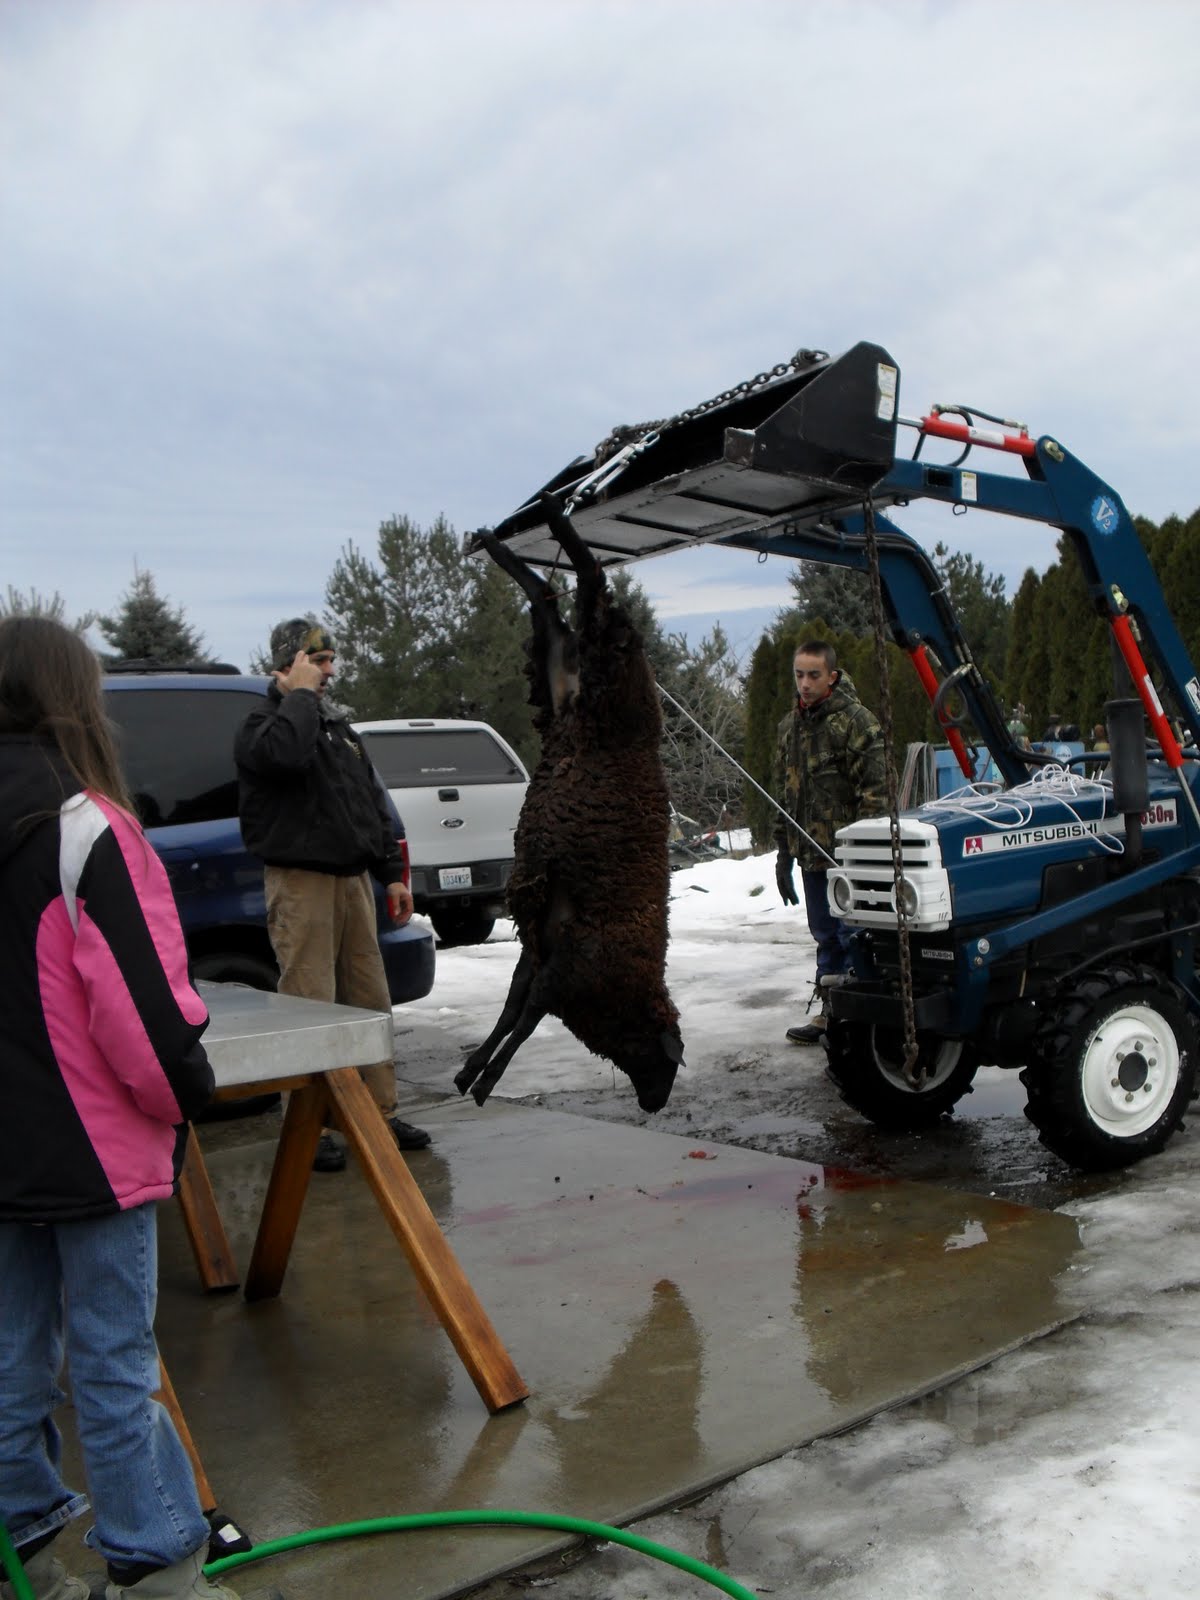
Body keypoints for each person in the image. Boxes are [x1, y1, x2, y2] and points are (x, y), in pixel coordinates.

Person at [0, 616, 243, 1600]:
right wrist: (188, 1093)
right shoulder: (88, 828)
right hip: (94, 1154)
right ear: (73, 699)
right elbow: (144, 1017)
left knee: (10, 1363)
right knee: (112, 1366)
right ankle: (157, 1568)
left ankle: (24, 1561)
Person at [234, 618, 430, 1172]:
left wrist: (391, 871)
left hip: (353, 884)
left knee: (369, 1003)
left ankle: (379, 1116)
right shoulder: (262, 726)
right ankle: (309, 1127)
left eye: (330, 661)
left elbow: (368, 802)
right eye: (319, 661)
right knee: (308, 1006)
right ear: (290, 663)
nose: (330, 671)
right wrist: (296, 696)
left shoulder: (338, 730)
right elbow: (286, 757)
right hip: (301, 885)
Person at [773, 640, 887, 1046]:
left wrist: (865, 857)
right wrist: (783, 854)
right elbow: (785, 795)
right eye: (799, 674)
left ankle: (862, 1018)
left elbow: (876, 795)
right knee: (824, 935)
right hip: (809, 855)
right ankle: (829, 1012)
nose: (804, 684)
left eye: (813, 675)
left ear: (832, 677)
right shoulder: (792, 726)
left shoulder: (857, 722)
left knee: (852, 936)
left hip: (846, 859)